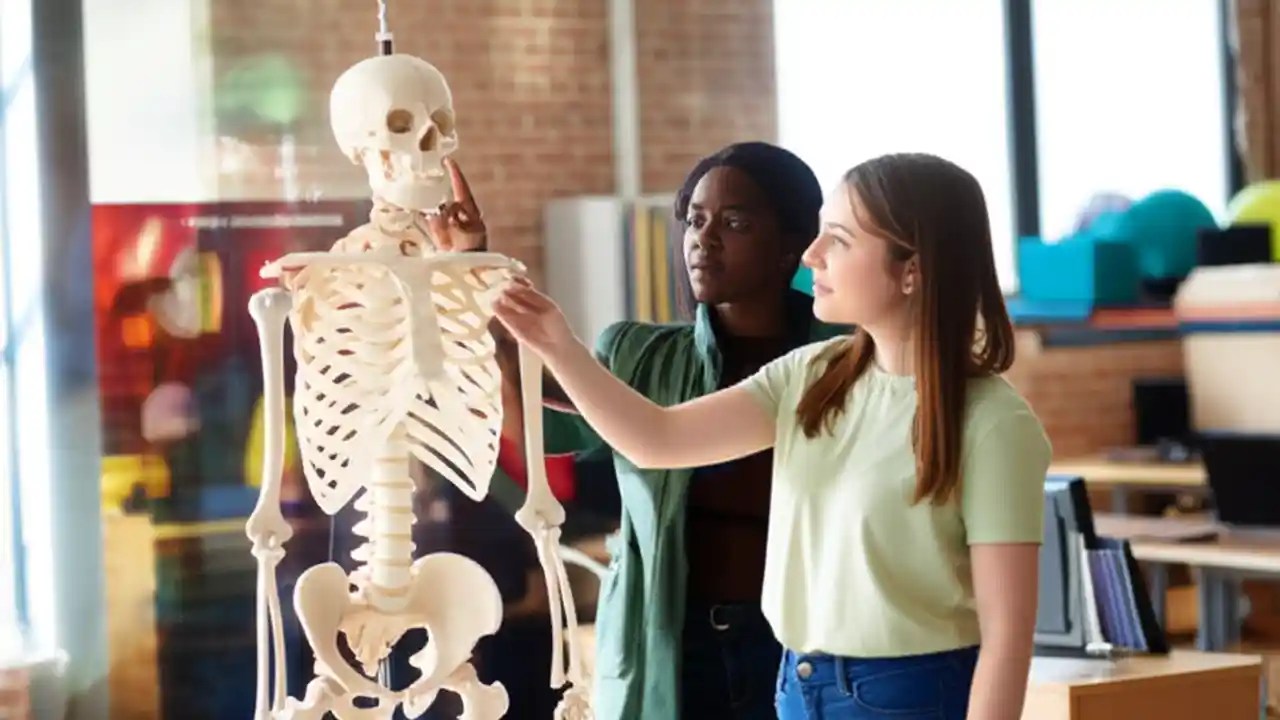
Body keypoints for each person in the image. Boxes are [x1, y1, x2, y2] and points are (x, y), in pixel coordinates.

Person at [494, 152, 1053, 720]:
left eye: (838, 239)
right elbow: (655, 438)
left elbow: (1008, 635)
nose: (812, 255)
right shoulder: (810, 374)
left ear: (912, 268)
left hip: (907, 694)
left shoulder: (993, 423)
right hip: (796, 685)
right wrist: (554, 342)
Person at [478, 142, 843, 718]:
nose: (705, 238)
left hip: (806, 639)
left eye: (735, 222)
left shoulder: (840, 360)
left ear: (791, 245)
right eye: (694, 220)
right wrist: (478, 278)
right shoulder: (641, 354)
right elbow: (549, 433)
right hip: (675, 638)